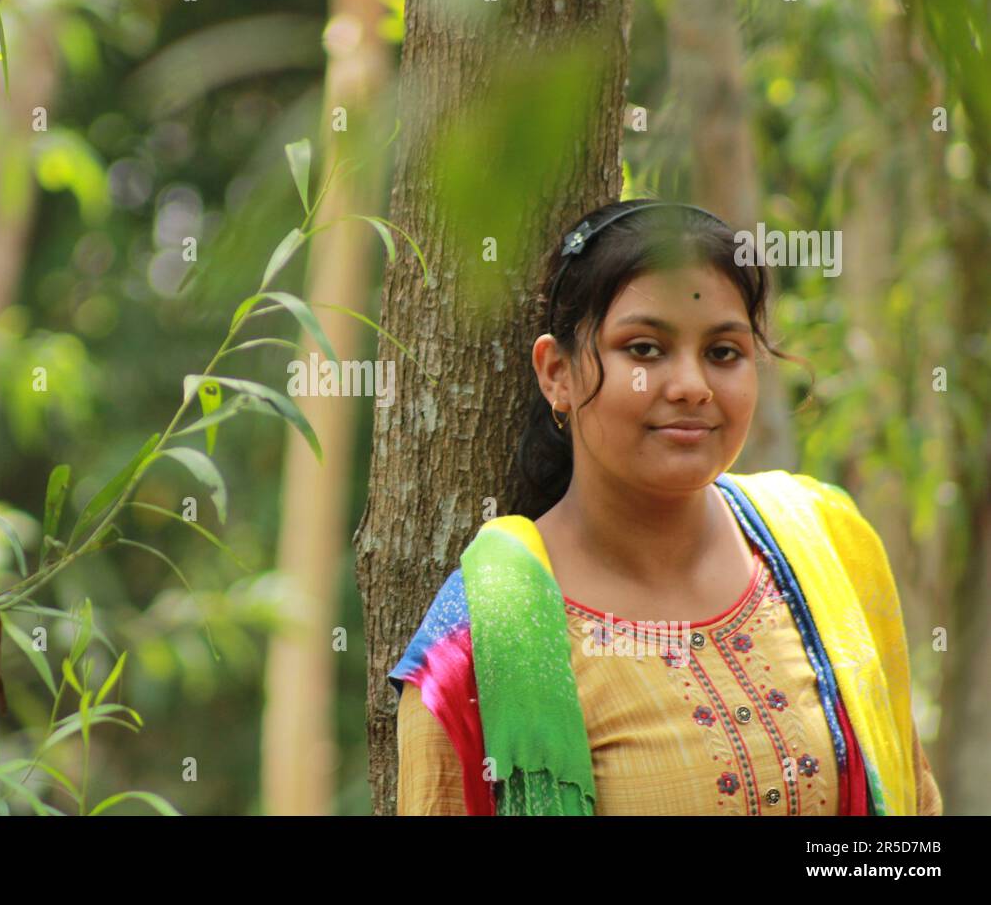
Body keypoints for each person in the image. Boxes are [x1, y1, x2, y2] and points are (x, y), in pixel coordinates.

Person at [388, 200, 942, 816]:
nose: (691, 386)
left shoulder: (829, 548)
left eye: (724, 352)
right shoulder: (475, 648)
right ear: (558, 373)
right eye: (646, 349)